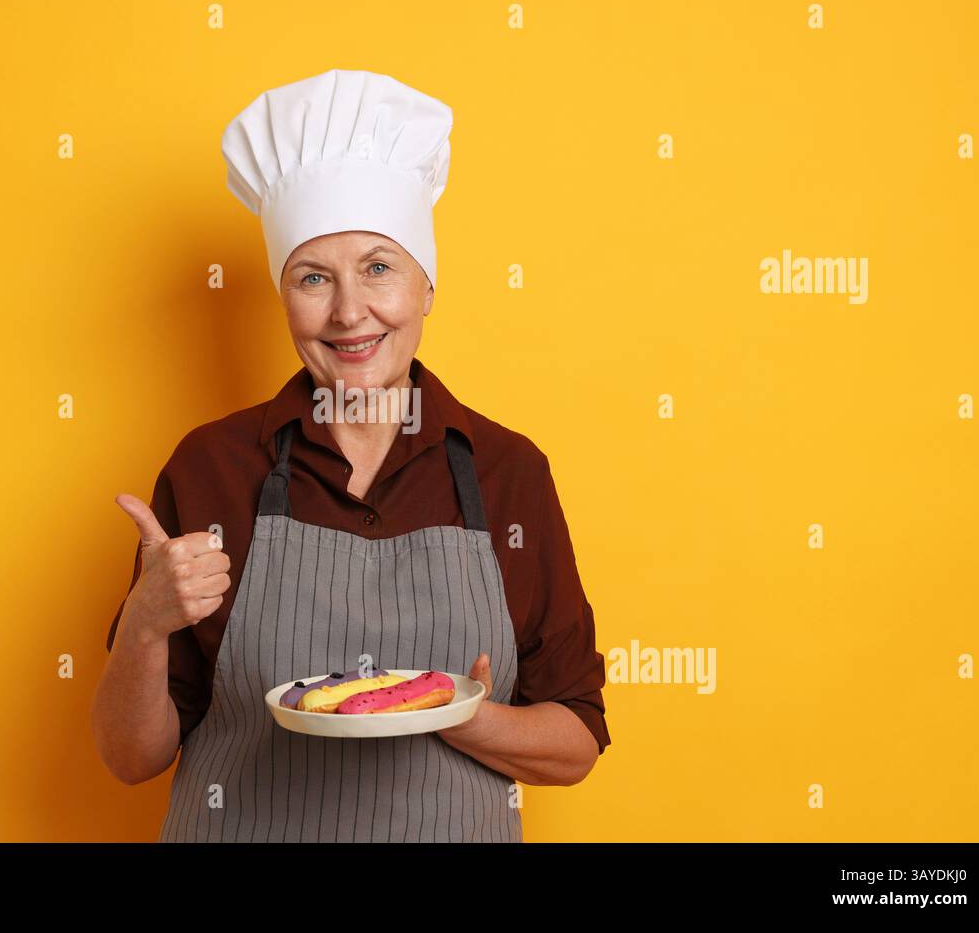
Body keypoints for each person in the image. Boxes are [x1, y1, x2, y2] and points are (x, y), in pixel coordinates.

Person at [91, 68, 610, 843]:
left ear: (425, 286)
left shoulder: (507, 472)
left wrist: (453, 715)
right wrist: (143, 624)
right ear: (284, 298)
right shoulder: (212, 468)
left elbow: (574, 744)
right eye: (312, 278)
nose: (348, 311)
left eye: (377, 267)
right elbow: (131, 757)